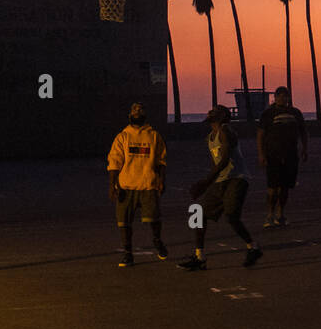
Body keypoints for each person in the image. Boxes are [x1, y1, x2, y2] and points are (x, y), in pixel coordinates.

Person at [178, 106, 262, 270]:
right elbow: (216, 163)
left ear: (223, 118)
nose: (212, 120)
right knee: (198, 214)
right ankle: (199, 256)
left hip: (236, 179)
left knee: (231, 215)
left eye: (214, 116)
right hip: (220, 181)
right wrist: (209, 183)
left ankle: (253, 247)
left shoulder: (226, 131)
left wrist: (205, 182)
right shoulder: (210, 137)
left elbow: (224, 160)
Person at [106, 101, 169, 268]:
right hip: (126, 185)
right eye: (134, 112)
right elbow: (114, 163)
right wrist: (112, 185)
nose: (137, 114)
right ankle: (128, 254)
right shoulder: (123, 136)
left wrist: (162, 179)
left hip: (148, 184)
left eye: (140, 112)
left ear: (144, 116)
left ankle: (157, 240)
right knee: (124, 222)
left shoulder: (154, 136)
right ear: (130, 116)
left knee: (154, 219)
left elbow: (161, 161)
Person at [256, 86, 307, 228]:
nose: (283, 99)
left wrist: (305, 148)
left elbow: (303, 131)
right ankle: (269, 214)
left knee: (285, 187)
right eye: (280, 96)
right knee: (272, 188)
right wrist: (261, 154)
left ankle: (281, 214)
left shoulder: (295, 113)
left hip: (290, 155)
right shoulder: (268, 114)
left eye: (285, 96)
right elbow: (260, 134)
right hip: (273, 155)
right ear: (275, 97)